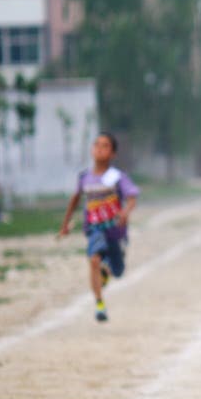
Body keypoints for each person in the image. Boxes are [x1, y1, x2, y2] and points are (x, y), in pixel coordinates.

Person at [58, 132, 139, 322]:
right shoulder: (85, 177)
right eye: (96, 145)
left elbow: (132, 198)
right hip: (95, 229)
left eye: (105, 146)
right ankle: (99, 304)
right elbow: (75, 199)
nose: (99, 149)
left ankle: (108, 271)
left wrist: (125, 212)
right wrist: (65, 225)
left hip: (116, 232)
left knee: (118, 272)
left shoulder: (117, 177)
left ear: (113, 154)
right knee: (93, 259)